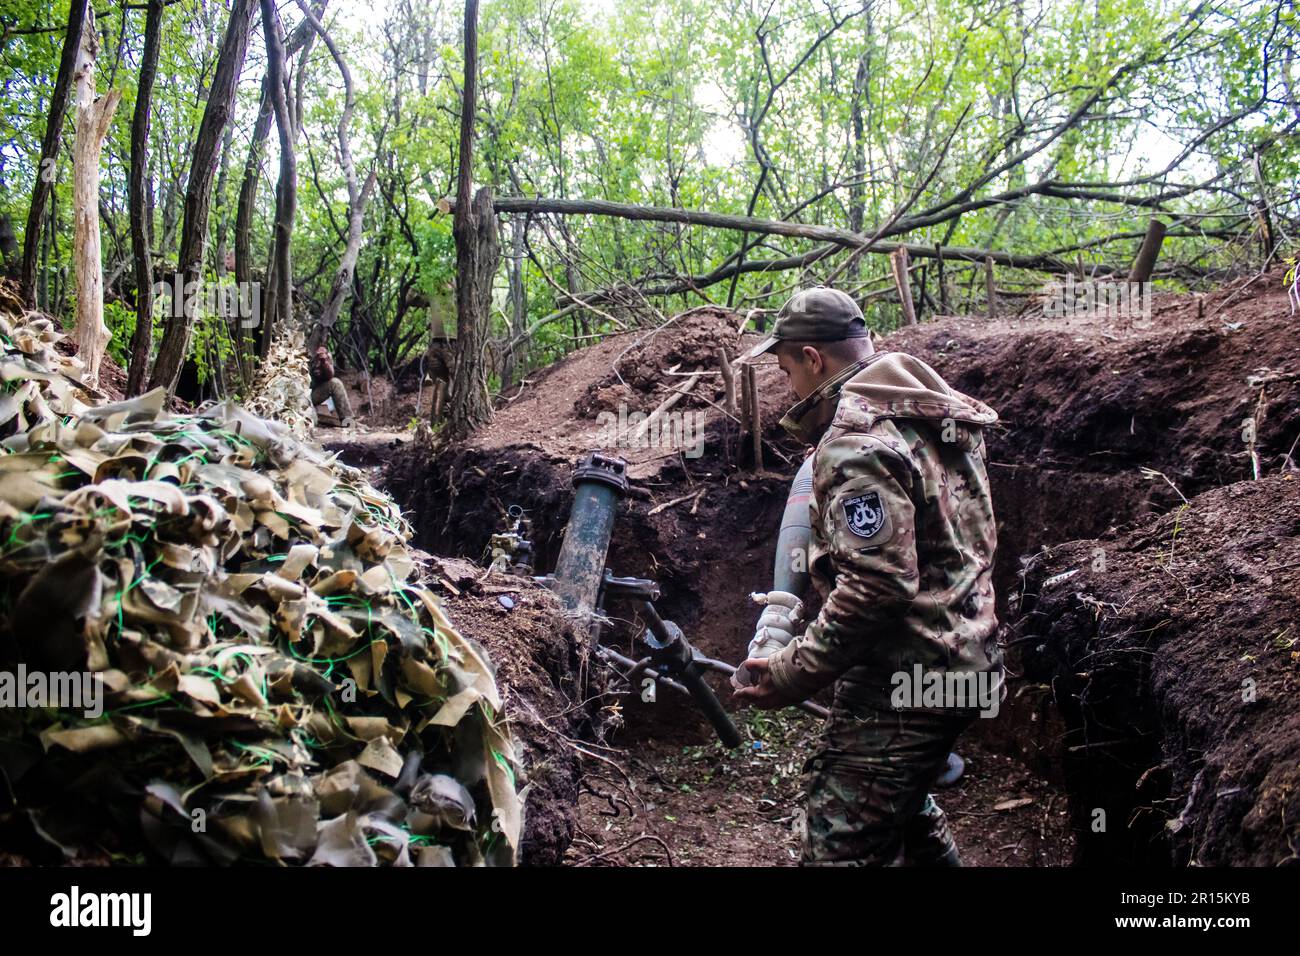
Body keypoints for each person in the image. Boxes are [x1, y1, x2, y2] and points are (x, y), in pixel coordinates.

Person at [733, 286, 1003, 866]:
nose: (789, 387)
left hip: (906, 681)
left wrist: (791, 671)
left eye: (786, 369)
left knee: (837, 848)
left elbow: (877, 586)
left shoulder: (855, 443)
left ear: (813, 358)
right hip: (966, 663)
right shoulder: (932, 413)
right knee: (902, 811)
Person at [310, 345, 355, 427]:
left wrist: (324, 362)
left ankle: (348, 421)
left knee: (336, 383)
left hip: (312, 394)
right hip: (300, 396)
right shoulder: (305, 354)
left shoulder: (323, 359)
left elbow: (329, 376)